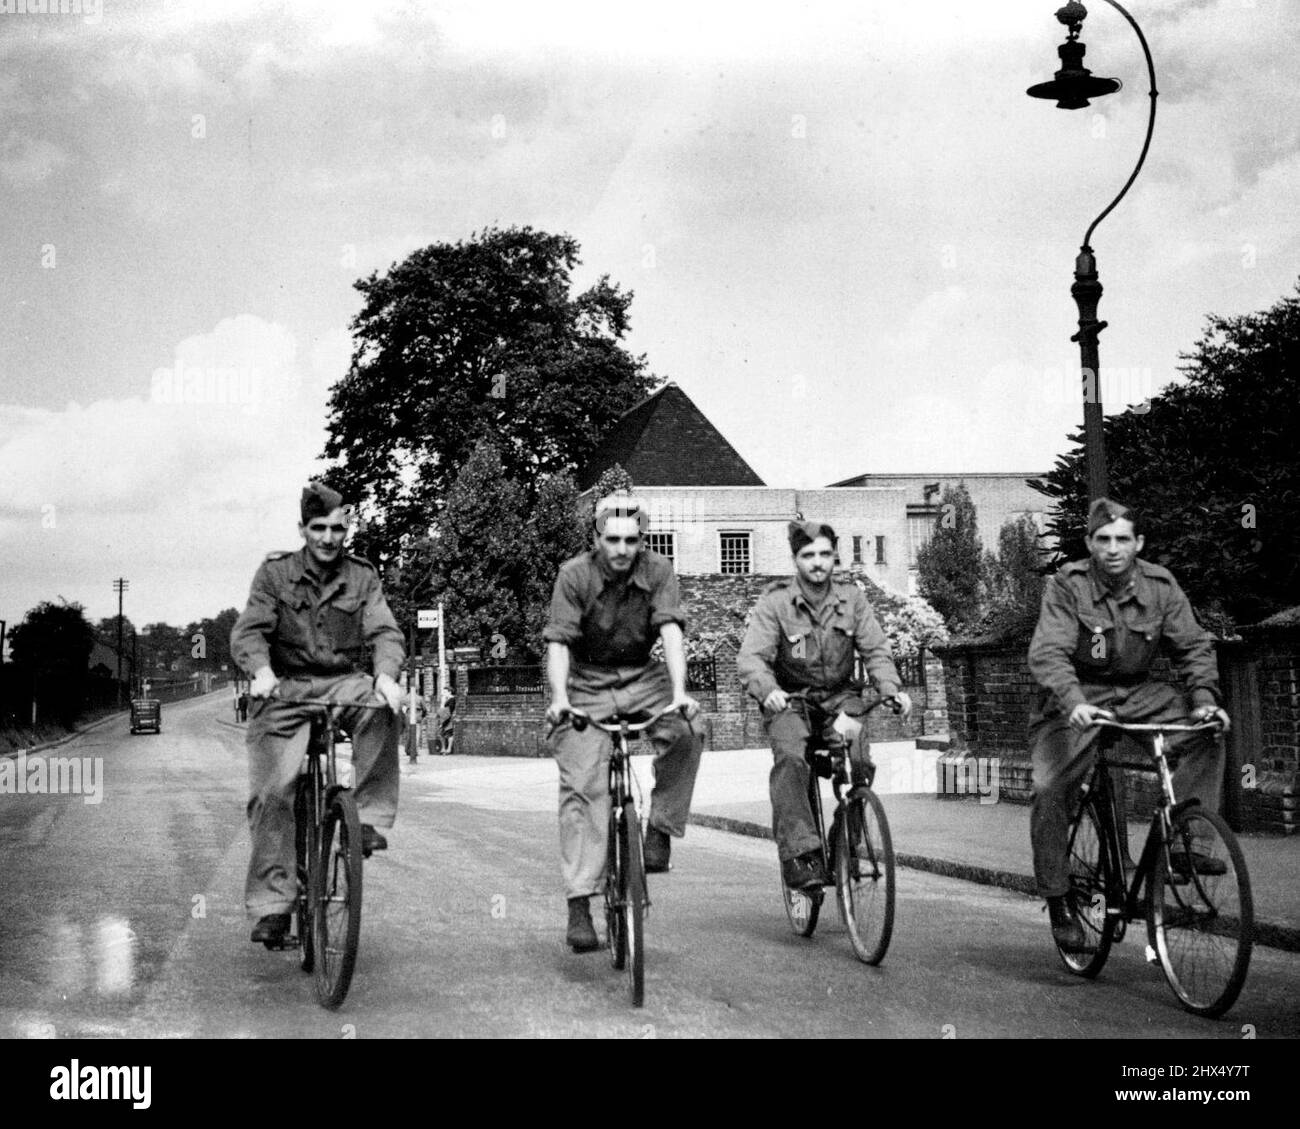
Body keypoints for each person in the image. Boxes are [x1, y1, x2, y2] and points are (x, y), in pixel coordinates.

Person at [1027, 497, 1230, 952]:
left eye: (1123, 539)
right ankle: (1058, 900)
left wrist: (1202, 699)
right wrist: (1074, 700)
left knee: (1208, 731)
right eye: (1103, 540)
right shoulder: (1068, 585)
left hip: (1139, 694)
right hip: (1072, 697)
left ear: (1138, 543)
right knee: (1048, 786)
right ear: (1089, 544)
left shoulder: (1161, 585)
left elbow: (1194, 646)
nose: (1113, 549)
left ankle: (1186, 845)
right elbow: (1049, 652)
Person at [230, 482, 406, 946]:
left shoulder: (363, 576)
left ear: (347, 529)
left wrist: (387, 676)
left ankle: (365, 818)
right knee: (272, 793)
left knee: (380, 706)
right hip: (286, 687)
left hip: (342, 682)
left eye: (337, 529)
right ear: (303, 529)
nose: (329, 538)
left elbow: (385, 630)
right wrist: (261, 671)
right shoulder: (275, 574)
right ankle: (273, 905)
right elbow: (249, 631)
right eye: (319, 528)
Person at [543, 492, 703, 953]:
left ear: (643, 539)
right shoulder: (573, 575)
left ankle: (661, 831)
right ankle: (579, 903)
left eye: (632, 540)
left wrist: (678, 693)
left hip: (641, 675)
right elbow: (559, 642)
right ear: (596, 536)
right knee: (581, 785)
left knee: (689, 730)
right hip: (587, 682)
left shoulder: (659, 571)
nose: (621, 549)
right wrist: (558, 698)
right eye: (612, 539)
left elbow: (671, 630)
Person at [737, 521, 912, 891]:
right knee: (790, 761)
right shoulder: (776, 602)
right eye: (807, 555)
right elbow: (752, 658)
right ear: (795, 559)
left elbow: (876, 649)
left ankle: (843, 841)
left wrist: (891, 688)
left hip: (841, 702)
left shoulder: (853, 599)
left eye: (823, 554)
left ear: (835, 556)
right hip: (790, 703)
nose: (816, 563)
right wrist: (767, 689)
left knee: (859, 759)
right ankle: (801, 853)